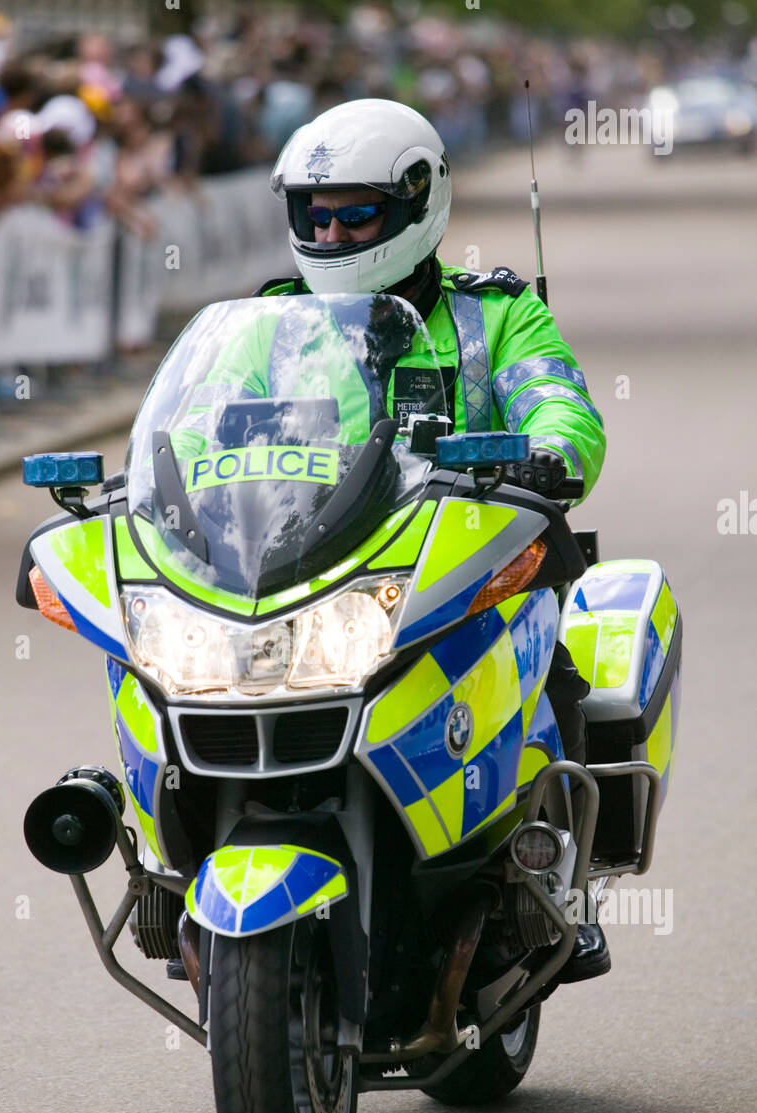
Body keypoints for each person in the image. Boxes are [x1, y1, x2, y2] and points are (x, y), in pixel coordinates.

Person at [256, 98, 609, 983]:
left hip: (458, 567)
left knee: (545, 668)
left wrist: (551, 452)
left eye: (356, 212)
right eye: (316, 214)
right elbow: (191, 437)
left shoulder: (497, 316)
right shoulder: (272, 328)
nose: (332, 230)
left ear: (418, 202)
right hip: (306, 573)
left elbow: (558, 399)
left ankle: (554, 879)